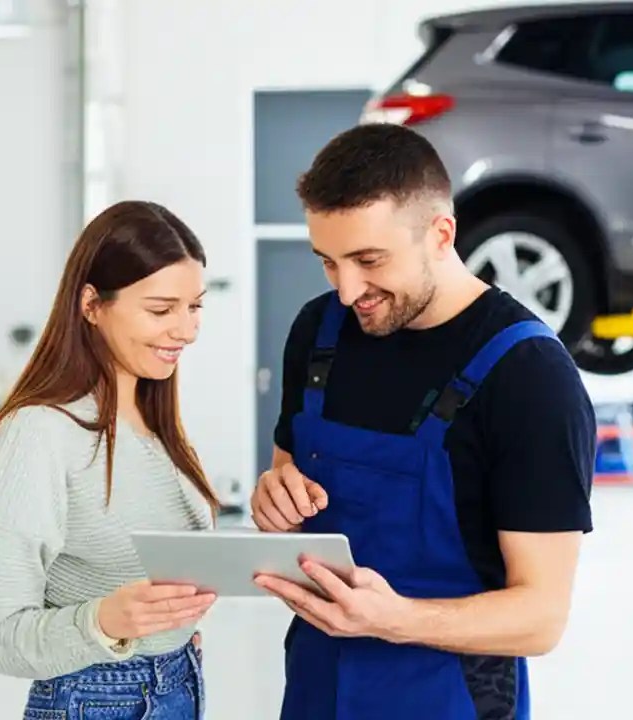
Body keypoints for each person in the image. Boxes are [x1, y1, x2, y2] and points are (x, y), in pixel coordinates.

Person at [250, 124, 596, 720]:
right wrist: (274, 499)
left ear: (441, 234)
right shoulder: (317, 332)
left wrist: (394, 620)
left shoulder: (529, 374)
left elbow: (541, 618)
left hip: (449, 696)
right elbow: (290, 496)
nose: (347, 289)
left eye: (369, 260)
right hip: (315, 686)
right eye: (328, 262)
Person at [0, 200, 219, 719]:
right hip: (95, 699)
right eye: (161, 310)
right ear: (91, 304)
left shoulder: (154, 419)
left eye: (195, 306)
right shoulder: (40, 433)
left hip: (177, 683)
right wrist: (106, 622)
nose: (186, 330)